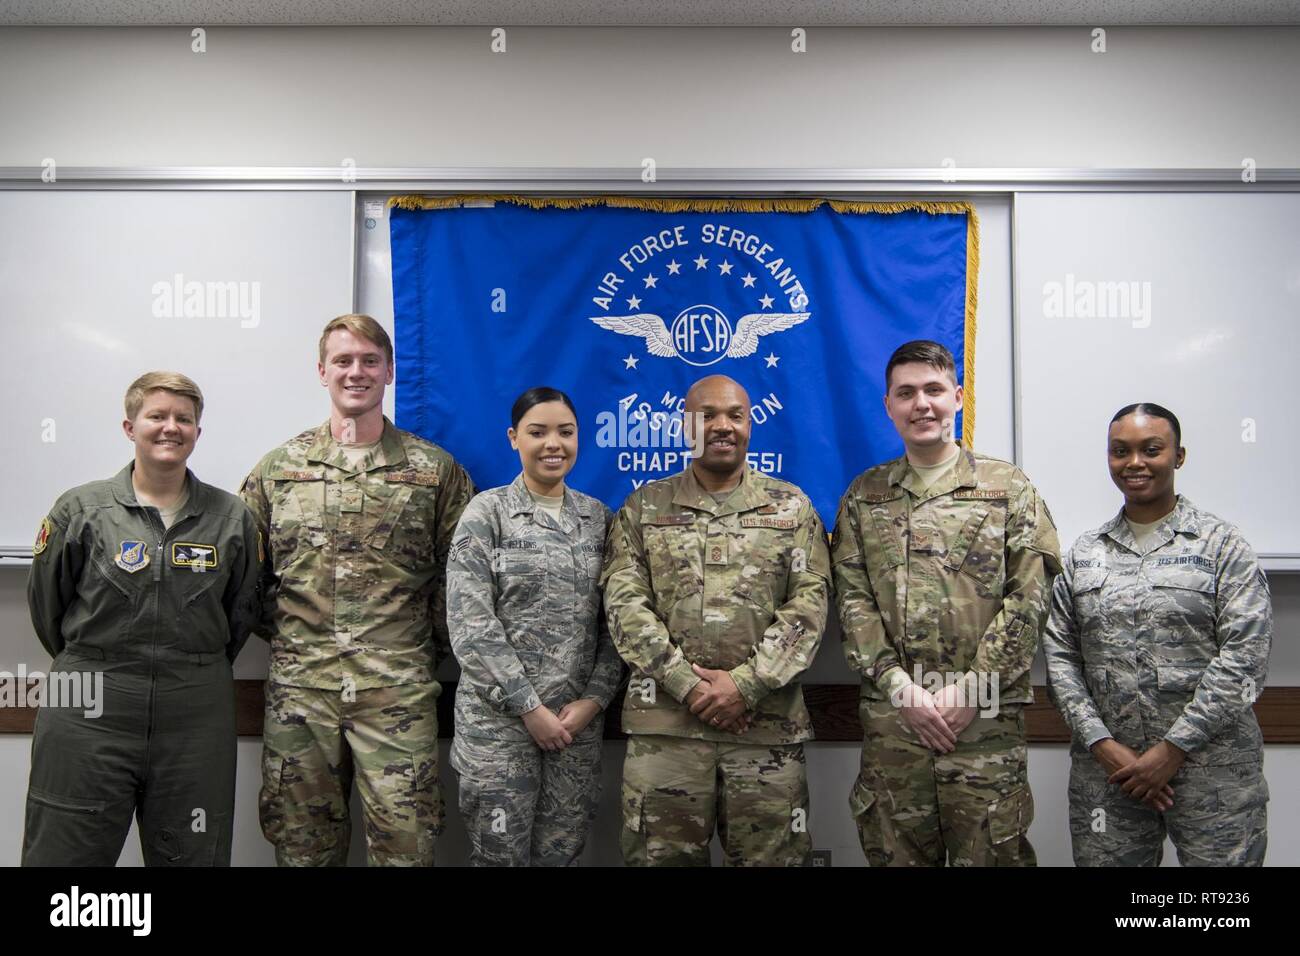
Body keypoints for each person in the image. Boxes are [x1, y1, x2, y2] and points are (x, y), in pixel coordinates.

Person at [240, 314, 474, 867]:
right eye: (343, 361)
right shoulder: (278, 470)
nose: (356, 372)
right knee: (303, 850)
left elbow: (460, 582)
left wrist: (417, 650)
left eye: (370, 360)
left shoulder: (434, 472)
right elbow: (246, 578)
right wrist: (298, 640)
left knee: (406, 847)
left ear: (390, 371)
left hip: (398, 695)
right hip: (302, 695)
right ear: (322, 371)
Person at [832, 339, 1061, 866]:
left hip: (985, 725)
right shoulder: (865, 496)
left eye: (934, 390)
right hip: (895, 726)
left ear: (957, 397)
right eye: (906, 393)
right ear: (888, 405)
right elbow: (853, 602)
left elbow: (1029, 598)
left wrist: (972, 690)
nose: (922, 405)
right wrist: (901, 689)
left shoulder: (1008, 489)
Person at [23, 372, 260, 866]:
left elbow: (240, 614)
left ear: (198, 431)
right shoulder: (80, 510)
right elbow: (49, 609)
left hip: (194, 715)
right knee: (65, 859)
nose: (170, 427)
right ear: (130, 427)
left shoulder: (232, 518)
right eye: (157, 416)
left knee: (194, 851)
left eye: (184, 419)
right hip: (89, 709)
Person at [601, 374, 830, 866]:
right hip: (667, 733)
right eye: (707, 415)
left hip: (765, 731)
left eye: (735, 415)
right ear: (685, 423)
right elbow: (624, 604)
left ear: (750, 424)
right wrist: (689, 685)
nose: (722, 425)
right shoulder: (643, 508)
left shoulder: (792, 508)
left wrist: (745, 686)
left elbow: (808, 609)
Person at [1043, 403, 1271, 866]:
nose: (1135, 463)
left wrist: (1173, 748)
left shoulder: (1222, 546)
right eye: (1120, 451)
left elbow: (1245, 656)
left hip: (1213, 771)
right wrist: (1101, 745)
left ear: (1178, 456)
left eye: (1151, 450)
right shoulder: (1085, 553)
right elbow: (1061, 656)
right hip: (1109, 775)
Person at [446, 387, 623, 866]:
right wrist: (529, 707)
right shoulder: (487, 514)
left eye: (565, 432)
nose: (553, 444)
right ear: (513, 438)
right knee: (498, 857)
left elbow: (618, 626)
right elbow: (471, 624)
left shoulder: (599, 520)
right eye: (537, 432)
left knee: (560, 856)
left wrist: (593, 701)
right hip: (499, 730)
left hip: (575, 732)